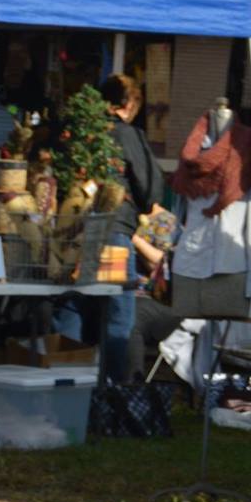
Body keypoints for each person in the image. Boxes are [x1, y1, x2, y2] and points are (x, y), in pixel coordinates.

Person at [97, 74, 168, 381]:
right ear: (127, 105)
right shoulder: (126, 135)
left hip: (74, 233)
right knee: (119, 310)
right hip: (114, 233)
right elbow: (148, 188)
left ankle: (68, 380)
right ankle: (113, 392)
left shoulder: (83, 133)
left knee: (75, 306)